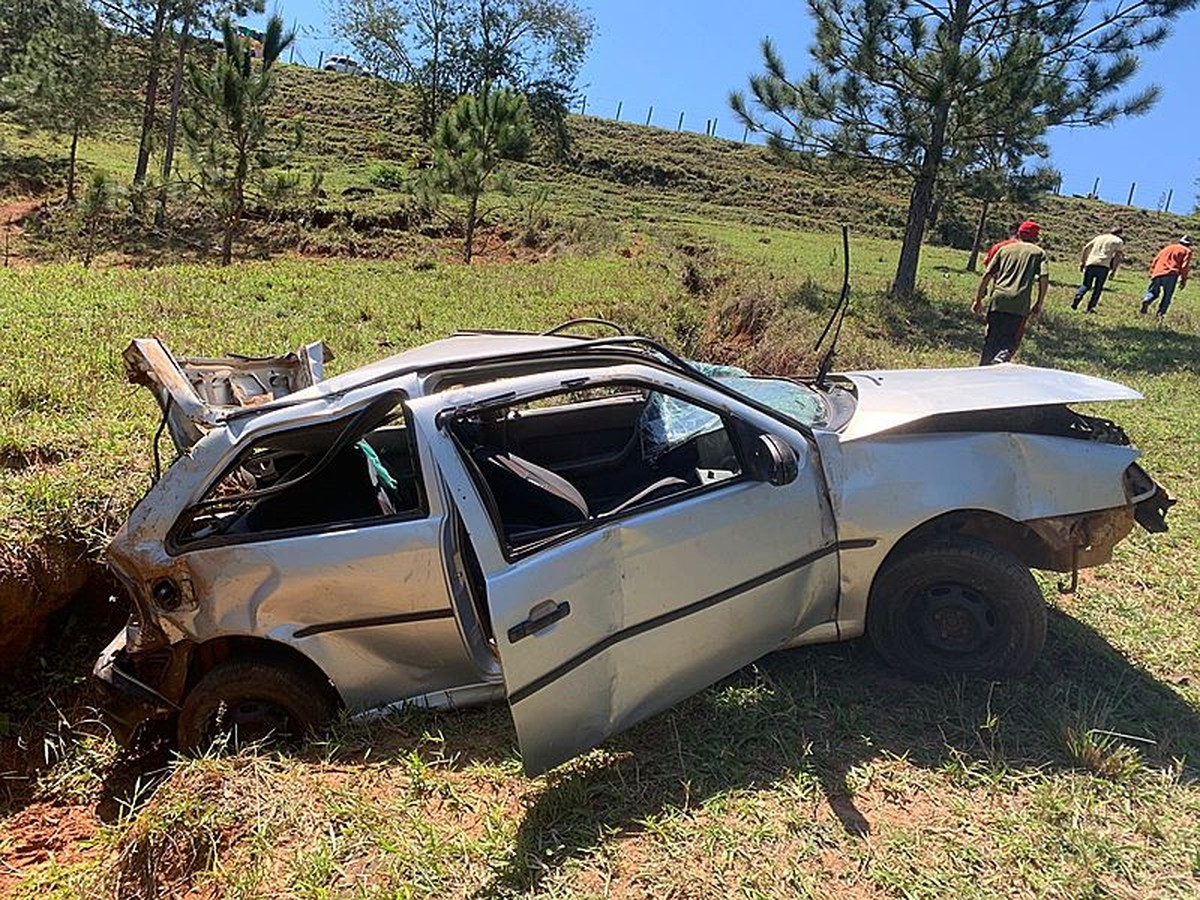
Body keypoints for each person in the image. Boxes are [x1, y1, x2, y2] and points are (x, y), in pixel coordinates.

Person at [972, 220, 1049, 365]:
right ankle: (1001, 360)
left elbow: (987, 275)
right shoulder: (1039, 253)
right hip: (1019, 303)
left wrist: (978, 300)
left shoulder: (1004, 250)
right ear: (1036, 237)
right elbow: (1044, 278)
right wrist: (1039, 303)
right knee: (1010, 340)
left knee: (991, 338)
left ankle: (983, 369)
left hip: (998, 300)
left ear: (1019, 233)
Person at [1073, 227, 1125, 312]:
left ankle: (1078, 295)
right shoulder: (1118, 241)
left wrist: (1083, 262)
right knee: (1098, 288)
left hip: (1091, 263)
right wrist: (1114, 270)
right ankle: (1090, 308)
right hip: (1103, 265)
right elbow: (1117, 256)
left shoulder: (1099, 237)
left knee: (1086, 285)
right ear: (1120, 234)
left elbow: (1086, 248)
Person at [1141, 236, 1192, 319]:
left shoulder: (1168, 248)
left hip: (1157, 272)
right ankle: (1160, 315)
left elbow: (1156, 259)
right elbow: (1184, 266)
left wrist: (1152, 271)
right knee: (1167, 296)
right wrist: (1183, 279)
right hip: (1171, 274)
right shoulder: (1187, 251)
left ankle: (1147, 299)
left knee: (1153, 292)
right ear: (1189, 244)